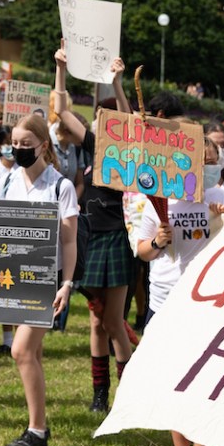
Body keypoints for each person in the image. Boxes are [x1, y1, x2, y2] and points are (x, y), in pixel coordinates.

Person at [126, 140, 224, 446]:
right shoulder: (159, 202)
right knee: (171, 379)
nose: (209, 167)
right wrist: (159, 240)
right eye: (202, 161)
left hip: (209, 303)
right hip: (165, 301)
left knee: (204, 379)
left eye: (213, 162)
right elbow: (143, 252)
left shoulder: (222, 199)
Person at [0, 114, 80, 446]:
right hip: (13, 275)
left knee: (21, 350)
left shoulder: (61, 186)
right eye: (16, 143)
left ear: (44, 146)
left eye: (27, 144)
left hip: (45, 278)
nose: (20, 149)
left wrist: (66, 283)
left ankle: (37, 431)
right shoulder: (8, 180)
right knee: (33, 353)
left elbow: (69, 242)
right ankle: (37, 422)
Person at [63, 54, 135, 414]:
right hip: (91, 238)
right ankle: (99, 394)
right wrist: (62, 67)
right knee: (95, 320)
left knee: (113, 321)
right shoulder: (92, 146)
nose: (100, 123)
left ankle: (128, 396)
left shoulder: (127, 153)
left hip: (118, 238)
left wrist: (118, 82)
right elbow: (61, 112)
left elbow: (128, 120)